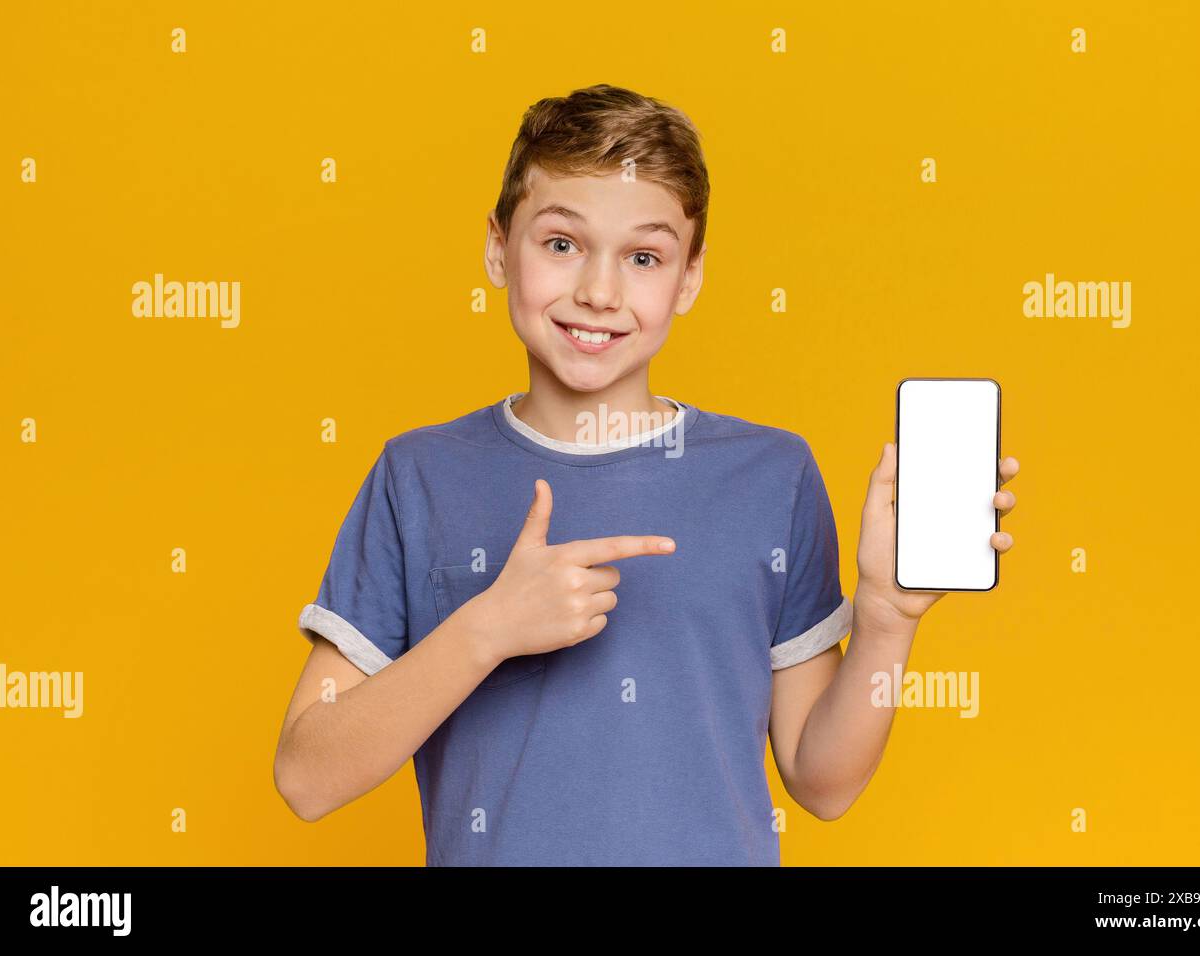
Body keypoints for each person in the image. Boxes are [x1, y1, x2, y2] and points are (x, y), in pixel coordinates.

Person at [272, 83, 1021, 865]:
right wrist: (488, 628)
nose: (599, 291)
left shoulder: (771, 476)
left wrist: (887, 624)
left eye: (643, 257)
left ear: (689, 277)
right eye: (561, 244)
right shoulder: (417, 476)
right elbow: (306, 777)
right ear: (498, 249)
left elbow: (823, 782)